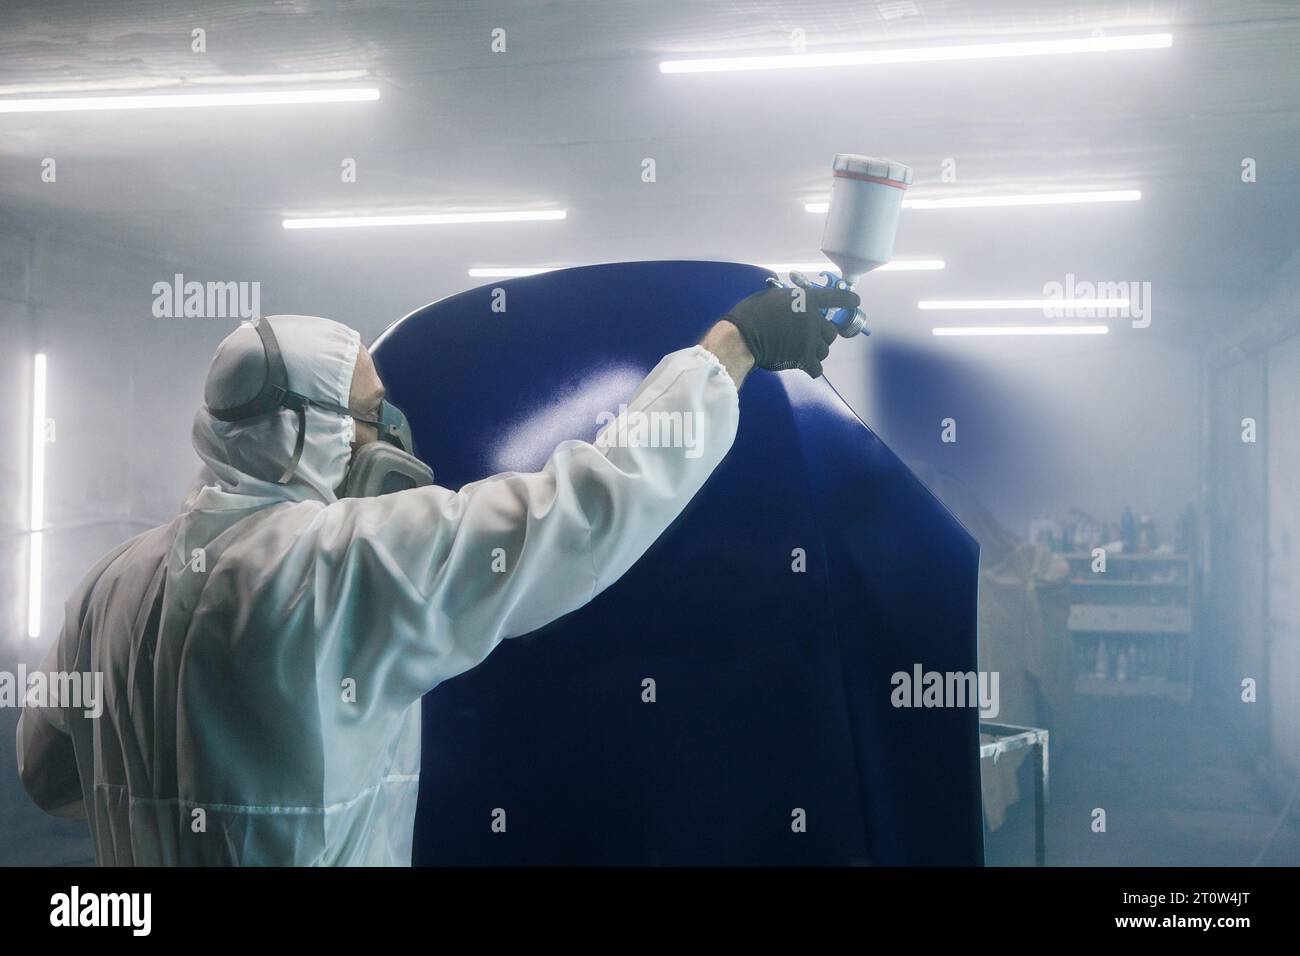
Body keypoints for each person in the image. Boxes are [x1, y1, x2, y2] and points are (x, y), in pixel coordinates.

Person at [16, 283, 858, 865]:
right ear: (304, 431)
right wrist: (731, 347)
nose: (388, 431)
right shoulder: (344, 559)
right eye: (369, 412)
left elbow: (48, 773)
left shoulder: (109, 583)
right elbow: (587, 507)